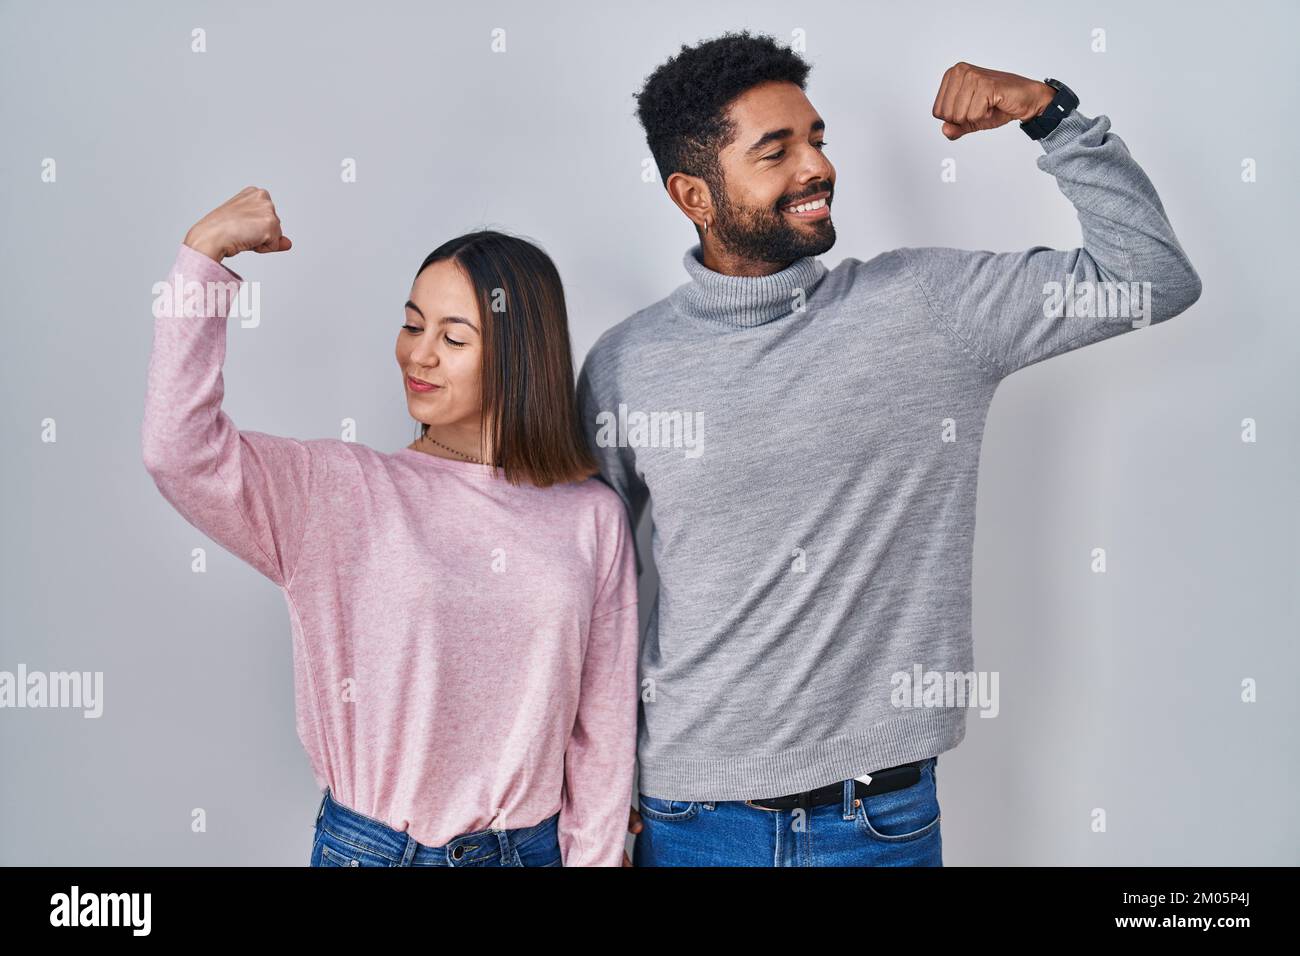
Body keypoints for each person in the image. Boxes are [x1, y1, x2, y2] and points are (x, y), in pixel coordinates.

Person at [576, 33, 1202, 866]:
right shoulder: (628, 363)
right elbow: (589, 591)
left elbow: (1154, 277)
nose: (817, 167)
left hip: (876, 820)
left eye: (817, 138)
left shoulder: (928, 307)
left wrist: (1051, 116)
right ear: (694, 192)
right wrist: (589, 797)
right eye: (778, 150)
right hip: (687, 816)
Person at [143, 187, 638, 866]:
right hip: (372, 850)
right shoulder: (338, 491)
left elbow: (602, 739)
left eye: (452, 336)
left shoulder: (590, 518)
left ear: (521, 356)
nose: (418, 355)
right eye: (411, 325)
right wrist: (203, 258)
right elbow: (179, 449)